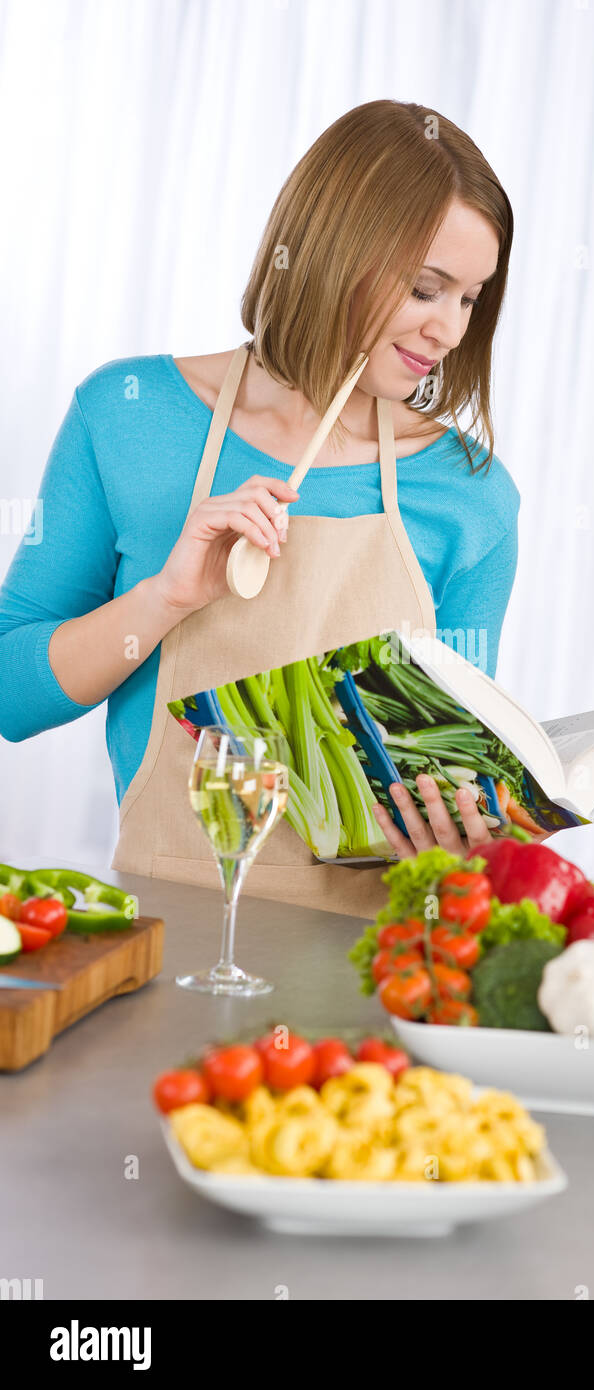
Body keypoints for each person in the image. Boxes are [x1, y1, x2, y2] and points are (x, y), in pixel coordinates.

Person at [0, 100, 522, 918]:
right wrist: (167, 596)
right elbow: (11, 696)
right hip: (167, 935)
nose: (449, 327)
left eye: (470, 298)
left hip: (364, 966)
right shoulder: (127, 415)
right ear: (331, 250)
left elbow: (449, 769)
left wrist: (469, 831)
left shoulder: (472, 494)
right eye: (427, 288)